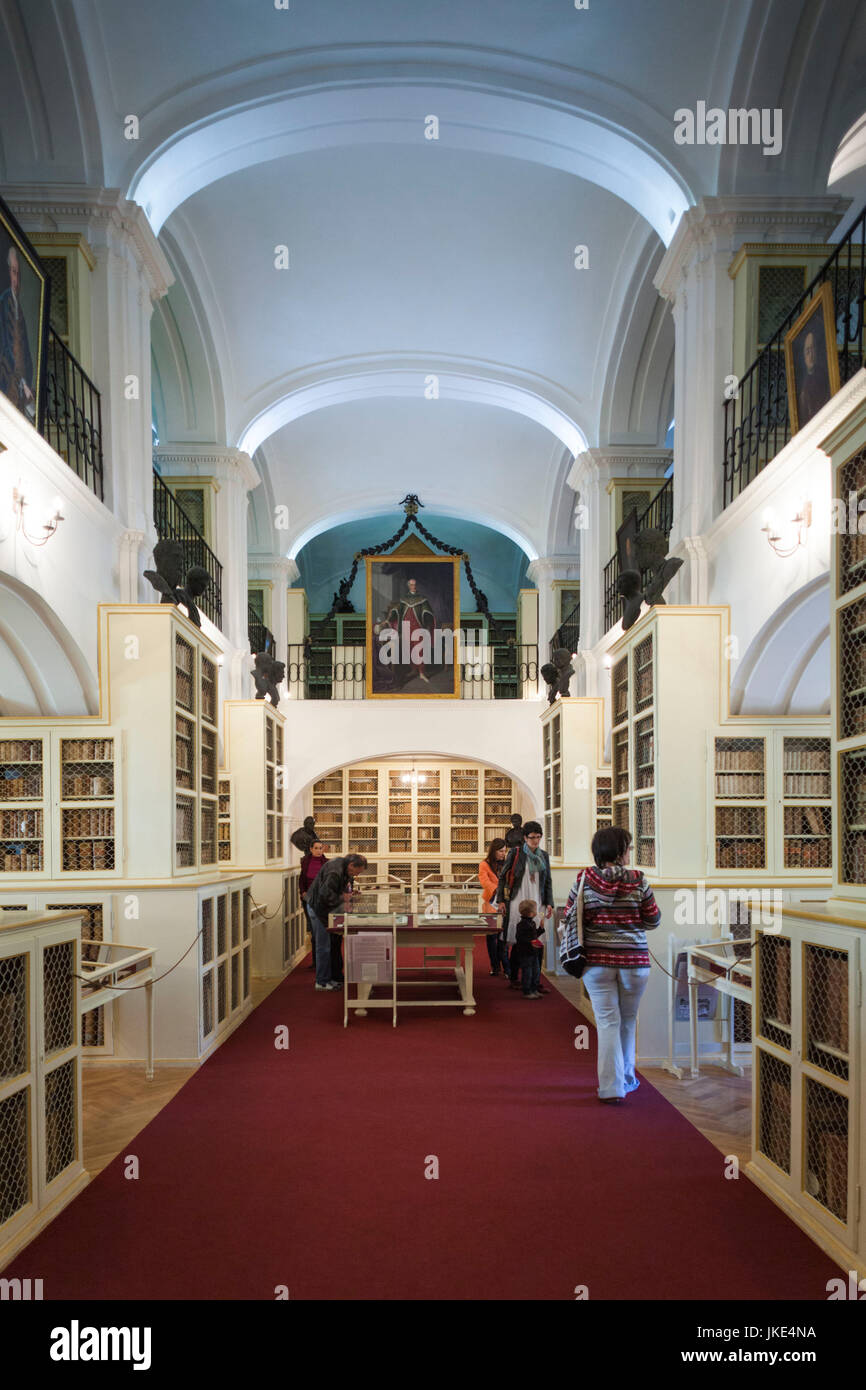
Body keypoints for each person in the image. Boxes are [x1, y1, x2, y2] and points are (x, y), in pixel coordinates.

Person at [570, 826, 660, 1104]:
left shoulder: (584, 878)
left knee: (608, 1022)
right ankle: (628, 1078)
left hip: (597, 962)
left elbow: (573, 914)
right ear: (620, 851)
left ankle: (611, 1087)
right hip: (634, 962)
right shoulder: (638, 879)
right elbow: (653, 919)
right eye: (628, 847)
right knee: (628, 1021)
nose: (630, 852)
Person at [493, 820, 553, 991]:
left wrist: (549, 903)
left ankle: (535, 980)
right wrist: (501, 900)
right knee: (520, 939)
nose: (536, 841)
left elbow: (547, 880)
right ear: (525, 838)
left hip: (538, 901)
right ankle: (514, 976)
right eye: (532, 837)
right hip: (518, 899)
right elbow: (503, 877)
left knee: (538, 938)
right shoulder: (516, 853)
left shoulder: (544, 856)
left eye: (538, 837)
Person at [304, 852, 368, 990]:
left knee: (330, 945)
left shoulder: (343, 867)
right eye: (356, 872)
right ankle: (321, 982)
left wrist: (349, 893)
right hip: (318, 908)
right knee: (323, 947)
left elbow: (338, 889)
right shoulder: (334, 871)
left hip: (325, 908)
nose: (356, 876)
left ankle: (330, 978)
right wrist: (343, 898)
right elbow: (325, 895)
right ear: (351, 865)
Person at [0, 245, 35, 420]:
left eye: (17, 273)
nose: (16, 279)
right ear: (7, 273)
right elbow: (5, 344)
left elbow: (26, 351)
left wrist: (27, 381)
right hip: (8, 383)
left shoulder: (18, 309)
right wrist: (21, 381)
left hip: (19, 388)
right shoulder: (4, 302)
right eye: (13, 272)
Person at [387, 576, 435, 684]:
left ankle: (422, 672)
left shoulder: (422, 599)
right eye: (412, 585)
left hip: (417, 626)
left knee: (419, 649)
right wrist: (390, 618)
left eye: (415, 584)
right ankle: (413, 669)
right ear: (408, 586)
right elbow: (397, 610)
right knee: (409, 649)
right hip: (406, 627)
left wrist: (427, 621)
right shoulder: (403, 599)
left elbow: (427, 612)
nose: (414, 586)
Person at [479, 837, 509, 976]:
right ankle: (495, 965)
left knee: (503, 936)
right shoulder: (484, 864)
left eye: (505, 851)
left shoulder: (507, 864)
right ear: (494, 851)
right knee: (491, 937)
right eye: (501, 851)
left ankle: (505, 964)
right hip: (491, 904)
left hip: (505, 904)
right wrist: (499, 889)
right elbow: (484, 881)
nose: (503, 853)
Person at [299, 839, 328, 971]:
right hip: (309, 898)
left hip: (322, 900)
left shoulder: (327, 863)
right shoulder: (305, 862)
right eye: (316, 848)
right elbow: (302, 879)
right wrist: (303, 892)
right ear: (311, 849)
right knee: (312, 929)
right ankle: (315, 961)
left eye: (320, 848)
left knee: (321, 930)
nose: (318, 851)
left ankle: (323, 961)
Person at [512, 898, 545, 999]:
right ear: (531, 913)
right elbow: (520, 938)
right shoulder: (521, 925)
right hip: (525, 953)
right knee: (527, 972)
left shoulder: (532, 923)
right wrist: (530, 942)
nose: (537, 911)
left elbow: (534, 936)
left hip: (533, 952)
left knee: (536, 971)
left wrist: (541, 929)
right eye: (535, 909)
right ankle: (527, 991)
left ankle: (534, 989)